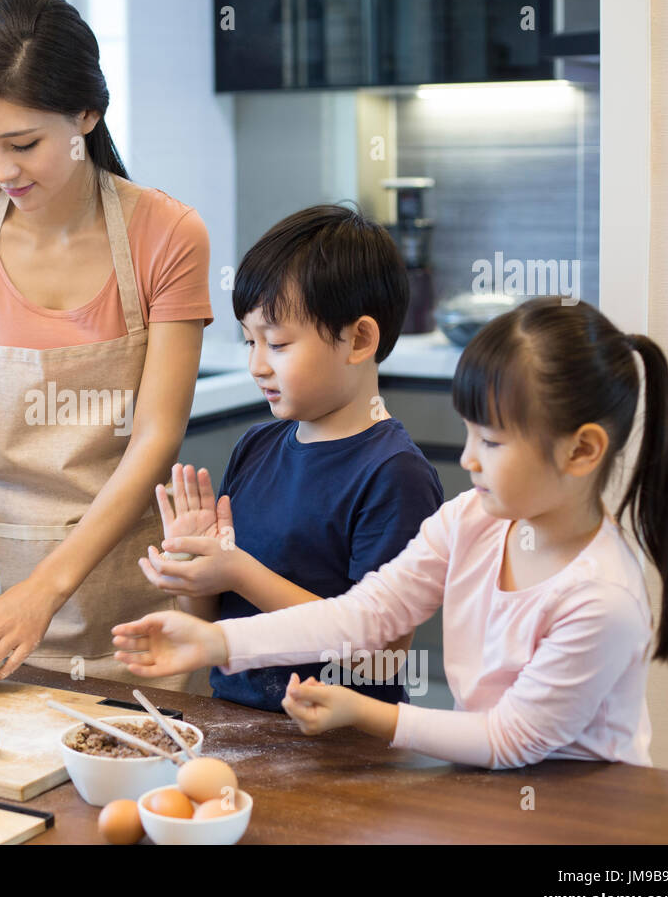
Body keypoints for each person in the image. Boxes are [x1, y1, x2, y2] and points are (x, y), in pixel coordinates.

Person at [114, 297, 668, 769]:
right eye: (469, 435)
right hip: (488, 789)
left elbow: (512, 739)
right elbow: (364, 613)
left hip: (592, 814)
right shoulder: (471, 521)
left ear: (582, 450)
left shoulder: (601, 597)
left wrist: (366, 714)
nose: (469, 459)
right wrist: (215, 642)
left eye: (492, 442)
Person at [0, 0, 212, 688]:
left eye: (22, 143)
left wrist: (47, 591)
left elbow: (155, 437)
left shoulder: (169, 235)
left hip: (135, 609)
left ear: (85, 113)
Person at [139, 205, 442, 712]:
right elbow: (213, 625)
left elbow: (382, 658)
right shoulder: (257, 447)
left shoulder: (394, 474)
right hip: (235, 724)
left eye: (277, 343)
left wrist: (239, 571)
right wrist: (195, 570)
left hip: (343, 749)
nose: (256, 365)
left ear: (359, 339)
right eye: (249, 340)